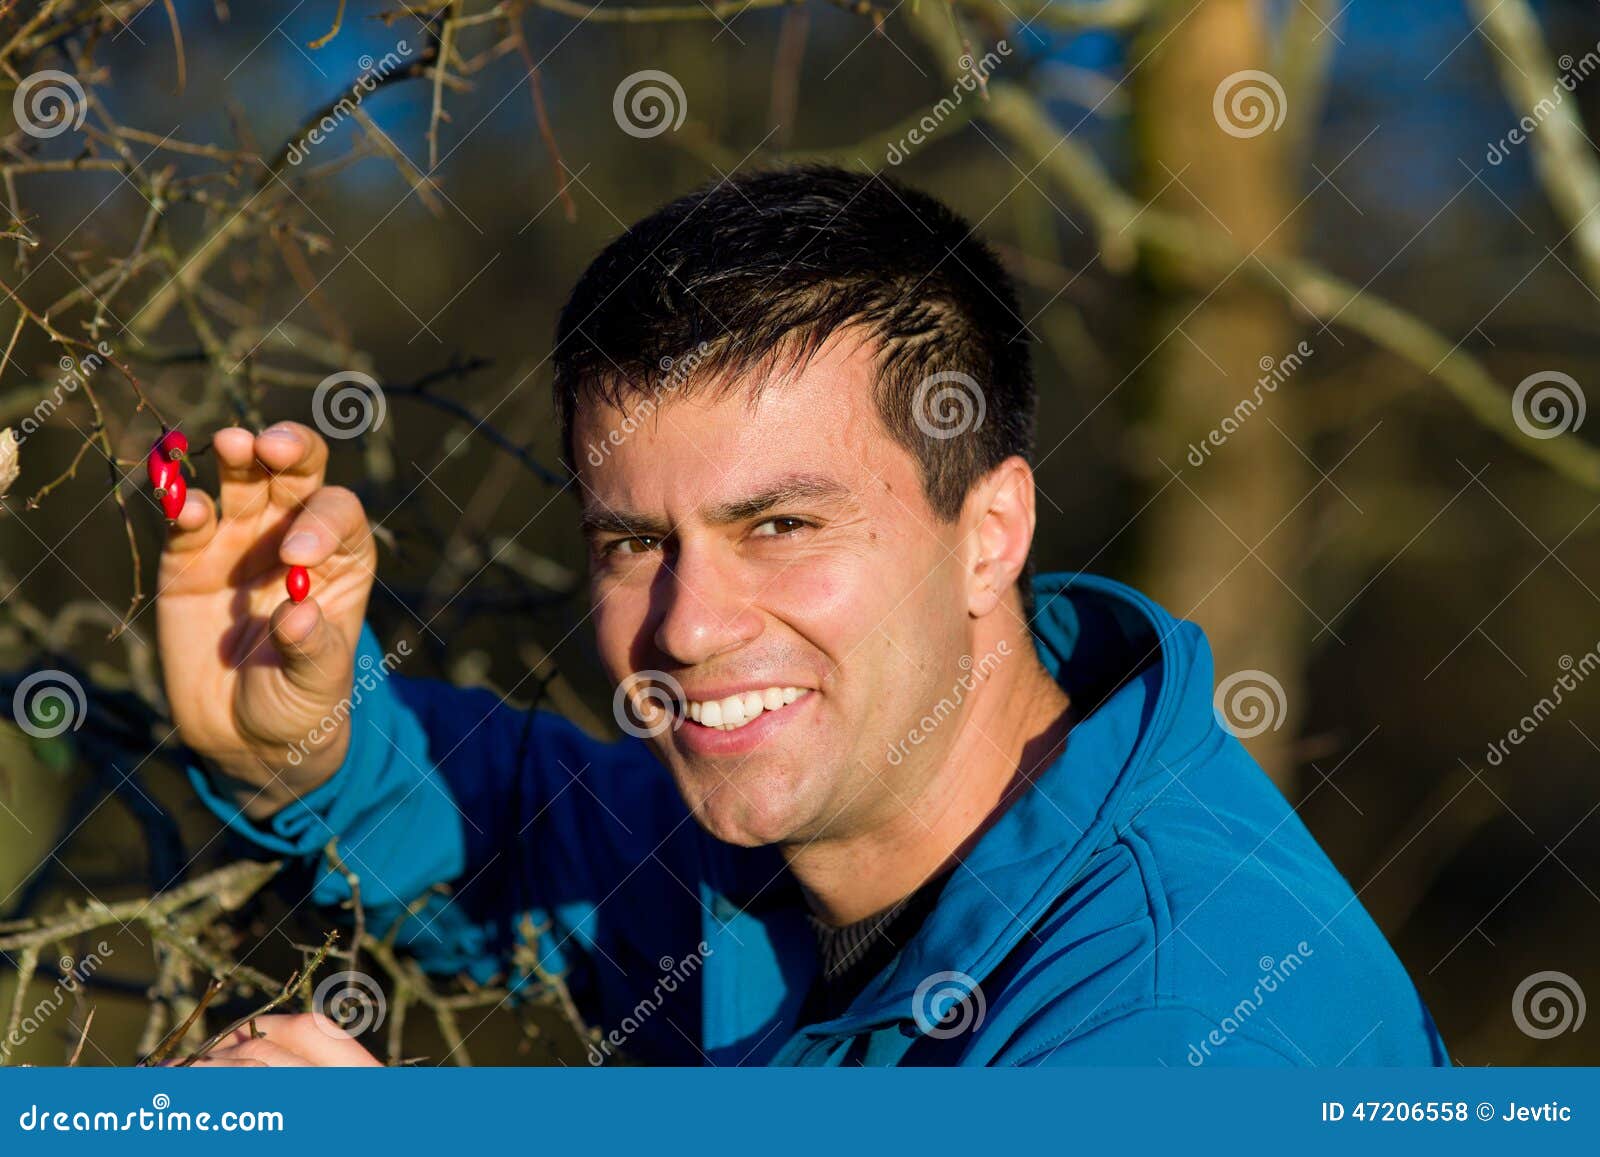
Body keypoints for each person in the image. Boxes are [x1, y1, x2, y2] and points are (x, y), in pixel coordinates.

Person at [157, 165, 1448, 1067]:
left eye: (781, 524)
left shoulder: (1180, 1022)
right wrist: (303, 739)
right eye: (635, 541)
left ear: (988, 533)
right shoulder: (805, 831)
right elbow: (531, 831)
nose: (691, 624)